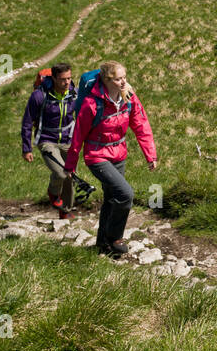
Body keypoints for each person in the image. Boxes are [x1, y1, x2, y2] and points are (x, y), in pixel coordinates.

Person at [63, 61, 157, 255]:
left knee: (111, 198)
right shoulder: (91, 104)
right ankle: (115, 237)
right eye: (118, 79)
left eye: (124, 77)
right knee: (125, 194)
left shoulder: (129, 97)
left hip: (119, 153)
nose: (123, 82)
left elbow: (141, 125)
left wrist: (150, 155)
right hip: (96, 155)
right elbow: (78, 135)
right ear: (106, 80)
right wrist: (70, 164)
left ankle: (102, 243)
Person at [21, 63, 79, 219]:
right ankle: (53, 193)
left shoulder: (74, 93)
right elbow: (27, 122)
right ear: (53, 78)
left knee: (71, 176)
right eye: (62, 79)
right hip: (46, 139)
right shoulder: (39, 96)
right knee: (61, 173)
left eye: (69, 78)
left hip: (67, 139)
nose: (67, 82)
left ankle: (65, 212)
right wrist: (26, 148)